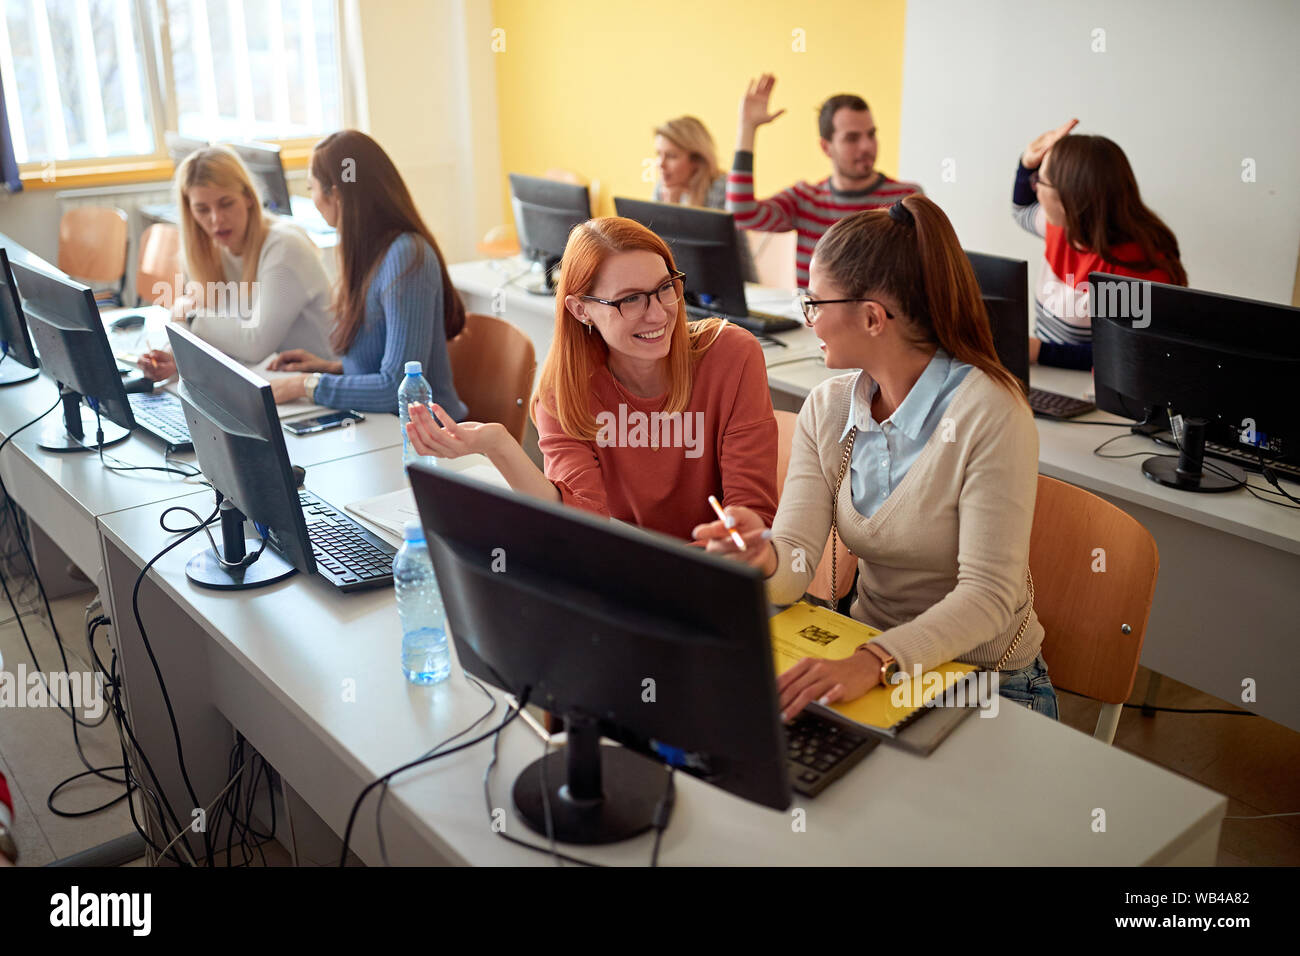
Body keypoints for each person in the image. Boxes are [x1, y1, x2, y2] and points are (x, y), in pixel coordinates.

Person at [694, 196, 1057, 722]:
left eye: (815, 303)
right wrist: (764, 556)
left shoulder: (991, 412)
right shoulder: (829, 405)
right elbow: (797, 556)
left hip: (989, 682)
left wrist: (875, 660)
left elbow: (988, 596)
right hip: (869, 660)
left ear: (871, 318)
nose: (808, 318)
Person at [404, 216, 779, 542]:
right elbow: (580, 521)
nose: (659, 314)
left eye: (665, 288)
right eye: (630, 300)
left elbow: (752, 520)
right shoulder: (564, 391)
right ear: (581, 310)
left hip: (715, 578)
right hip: (623, 575)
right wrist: (498, 444)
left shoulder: (730, 354)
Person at [263, 130, 467, 415]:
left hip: (429, 437)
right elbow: (380, 363)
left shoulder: (407, 257)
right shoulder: (365, 250)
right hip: (384, 428)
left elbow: (397, 387)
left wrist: (306, 385)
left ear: (336, 194)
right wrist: (332, 369)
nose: (313, 200)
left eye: (312, 189)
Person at [138, 146, 334, 382]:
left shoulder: (284, 247)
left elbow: (255, 344)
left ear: (249, 197)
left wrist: (187, 316)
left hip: (319, 386)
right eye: (202, 209)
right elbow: (215, 328)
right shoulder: (210, 250)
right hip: (262, 380)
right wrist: (173, 356)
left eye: (226, 203)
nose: (216, 219)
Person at [1013, 119, 1187, 369]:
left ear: (1068, 197)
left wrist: (1037, 351)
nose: (1035, 190)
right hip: (1051, 378)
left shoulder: (1132, 267)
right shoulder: (1062, 228)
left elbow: (1123, 355)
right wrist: (1027, 162)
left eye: (1039, 181)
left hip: (1093, 393)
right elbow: (1022, 210)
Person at [726, 74, 922, 289]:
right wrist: (747, 129)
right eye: (852, 138)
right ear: (826, 147)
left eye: (871, 134)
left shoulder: (905, 198)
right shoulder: (806, 198)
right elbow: (741, 216)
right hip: (814, 320)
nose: (867, 146)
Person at [652, 115, 756, 282]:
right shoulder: (662, 188)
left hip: (728, 286)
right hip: (684, 286)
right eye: (659, 154)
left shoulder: (722, 188)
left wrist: (673, 212)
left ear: (696, 160)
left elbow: (710, 258)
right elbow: (656, 255)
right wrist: (669, 207)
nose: (661, 164)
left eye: (671, 156)